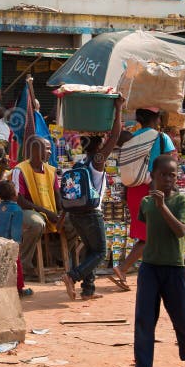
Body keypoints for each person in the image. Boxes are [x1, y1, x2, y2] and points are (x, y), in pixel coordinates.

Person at [127, 155, 185, 367]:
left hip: (173, 267)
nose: (168, 179)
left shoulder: (181, 202)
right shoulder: (146, 203)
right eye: (163, 174)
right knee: (144, 319)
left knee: (181, 316)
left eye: (172, 174)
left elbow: (180, 231)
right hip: (150, 267)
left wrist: (162, 207)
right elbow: (145, 234)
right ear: (153, 176)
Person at [62, 95, 124, 301]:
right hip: (91, 214)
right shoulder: (98, 160)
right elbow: (115, 136)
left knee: (90, 250)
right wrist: (118, 109)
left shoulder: (80, 161)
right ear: (99, 145)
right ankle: (73, 276)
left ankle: (88, 290)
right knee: (100, 252)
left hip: (77, 214)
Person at [111, 108, 176, 291]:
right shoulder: (162, 138)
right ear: (156, 119)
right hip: (153, 189)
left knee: (146, 232)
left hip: (133, 190)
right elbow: (171, 165)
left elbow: (127, 167)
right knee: (150, 234)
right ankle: (123, 268)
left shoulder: (133, 137)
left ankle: (153, 272)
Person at [12, 136, 63, 279]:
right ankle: (25, 266)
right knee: (36, 223)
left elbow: (57, 195)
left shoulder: (51, 171)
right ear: (34, 150)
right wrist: (47, 212)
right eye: (46, 148)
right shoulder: (20, 170)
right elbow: (20, 200)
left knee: (73, 222)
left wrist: (62, 212)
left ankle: (58, 256)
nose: (50, 152)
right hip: (25, 210)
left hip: (48, 211)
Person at [0, 180, 29, 296]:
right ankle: (19, 289)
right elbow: (15, 231)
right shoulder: (17, 210)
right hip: (10, 243)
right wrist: (17, 244)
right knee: (16, 266)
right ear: (14, 195)